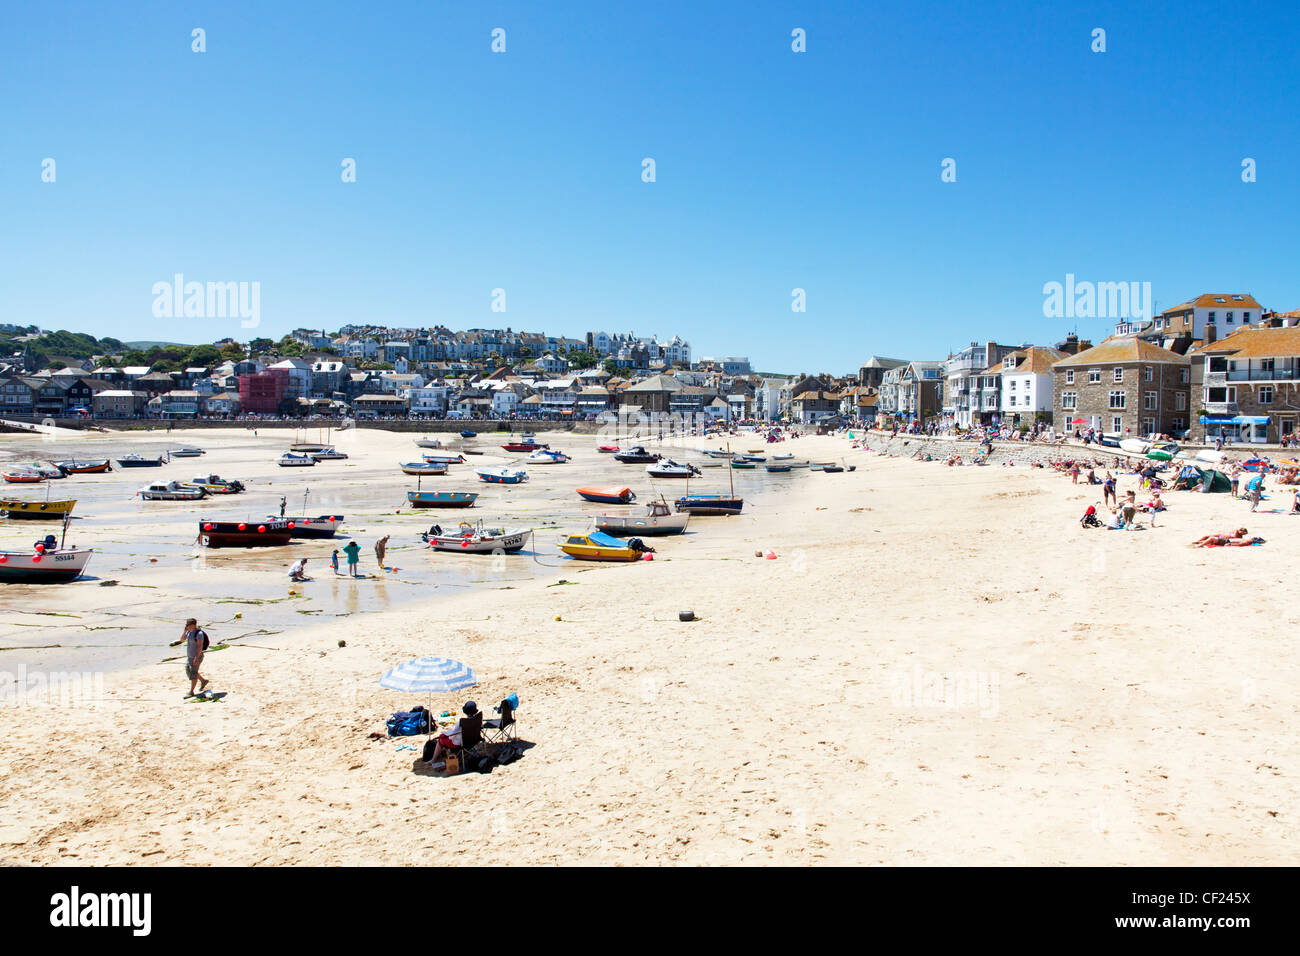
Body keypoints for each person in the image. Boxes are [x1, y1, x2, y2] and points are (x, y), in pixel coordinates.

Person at [429, 701, 482, 765]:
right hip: (475, 741)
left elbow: (453, 735)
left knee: (441, 739)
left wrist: (446, 734)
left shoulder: (462, 722)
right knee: (445, 735)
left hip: (461, 743)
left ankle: (433, 759)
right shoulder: (477, 719)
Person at [183, 617, 209, 698]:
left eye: (188, 625)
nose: (187, 626)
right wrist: (184, 631)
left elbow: (200, 646)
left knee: (193, 674)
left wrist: (196, 657)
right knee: (189, 670)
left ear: (193, 625)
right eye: (186, 625)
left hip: (196, 656)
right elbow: (182, 639)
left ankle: (191, 692)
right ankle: (203, 681)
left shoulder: (199, 634)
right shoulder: (189, 632)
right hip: (190, 656)